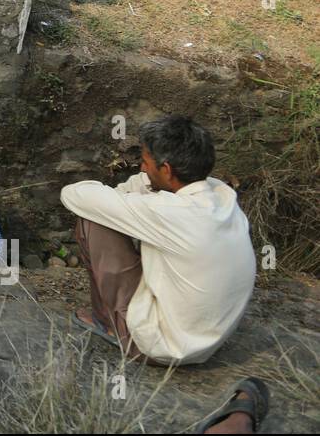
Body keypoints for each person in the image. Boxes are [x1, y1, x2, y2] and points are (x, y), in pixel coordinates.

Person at [60, 115, 256, 365]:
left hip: (159, 348)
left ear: (167, 170)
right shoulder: (222, 194)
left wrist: (121, 198)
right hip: (208, 344)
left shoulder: (169, 212)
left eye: (145, 163)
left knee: (93, 221)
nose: (142, 169)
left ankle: (110, 324)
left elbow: (74, 195)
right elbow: (143, 185)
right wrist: (144, 186)